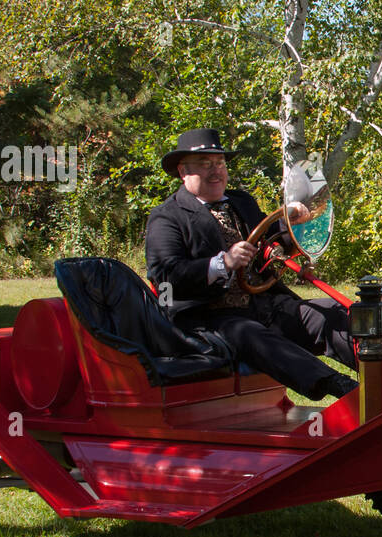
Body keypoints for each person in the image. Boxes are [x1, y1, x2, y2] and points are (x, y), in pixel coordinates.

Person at [144, 128, 358, 400]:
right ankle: (341, 387)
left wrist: (295, 223)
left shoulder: (241, 202)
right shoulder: (166, 216)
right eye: (205, 164)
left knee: (331, 312)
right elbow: (165, 275)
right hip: (208, 318)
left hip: (263, 304)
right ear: (183, 171)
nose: (216, 171)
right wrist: (223, 263)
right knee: (251, 334)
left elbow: (273, 242)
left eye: (220, 163)